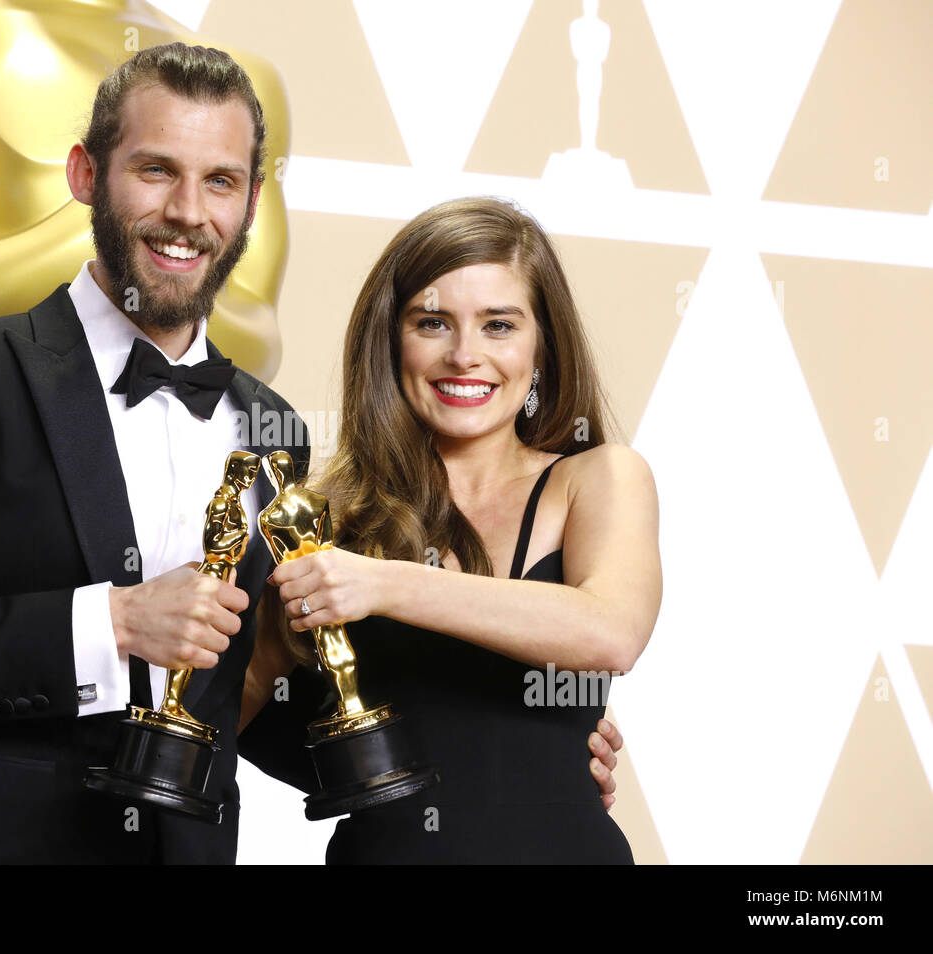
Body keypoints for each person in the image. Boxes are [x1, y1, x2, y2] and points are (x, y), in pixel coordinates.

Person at [0, 41, 622, 864]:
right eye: (156, 170)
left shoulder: (274, 429)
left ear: (251, 203)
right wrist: (114, 622)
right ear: (86, 175)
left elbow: (250, 703)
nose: (188, 211)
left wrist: (527, 740)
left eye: (221, 181)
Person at [243, 196, 660, 863]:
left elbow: (610, 634)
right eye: (432, 322)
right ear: (390, 342)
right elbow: (228, 722)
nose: (466, 355)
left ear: (543, 347)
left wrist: (380, 586)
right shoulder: (322, 518)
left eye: (499, 325)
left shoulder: (599, 478)